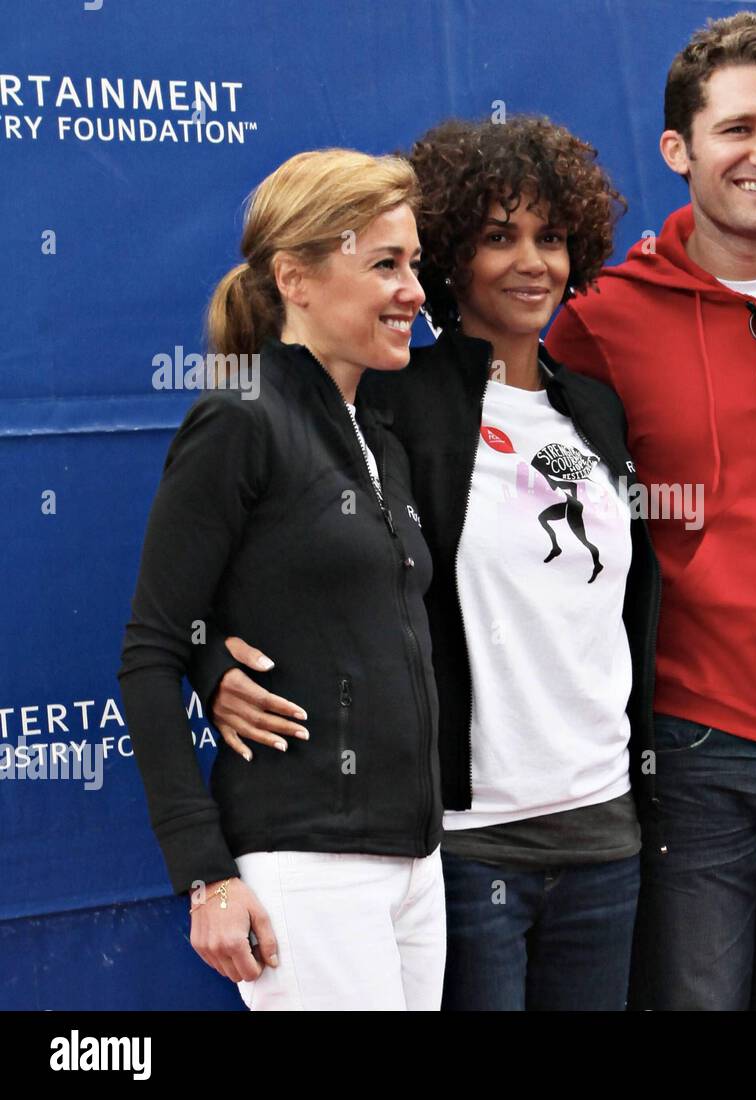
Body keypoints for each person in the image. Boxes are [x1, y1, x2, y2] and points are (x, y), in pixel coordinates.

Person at [194, 117, 660, 1011]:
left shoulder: (596, 409)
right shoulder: (394, 394)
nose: (533, 262)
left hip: (606, 834)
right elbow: (276, 552)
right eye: (498, 237)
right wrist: (212, 658)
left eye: (552, 238)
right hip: (464, 839)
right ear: (447, 257)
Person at [544, 11, 756, 1010]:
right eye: (737, 128)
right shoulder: (603, 316)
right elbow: (466, 467)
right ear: (678, 148)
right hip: (692, 746)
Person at [118, 149, 445, 1010]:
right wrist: (205, 877)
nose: (413, 289)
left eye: (414, 263)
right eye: (384, 264)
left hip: (416, 864)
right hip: (306, 865)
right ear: (295, 278)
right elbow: (150, 652)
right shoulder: (239, 417)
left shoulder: (381, 437)